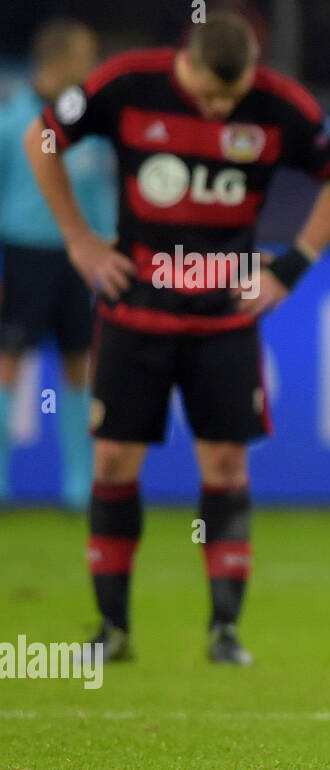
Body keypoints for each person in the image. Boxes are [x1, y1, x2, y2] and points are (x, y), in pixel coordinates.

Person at [23, 11, 330, 664]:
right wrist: (79, 241)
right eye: (210, 94)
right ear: (188, 58)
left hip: (224, 321)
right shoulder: (126, 84)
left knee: (226, 464)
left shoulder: (280, 105)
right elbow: (41, 140)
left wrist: (291, 267)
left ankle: (225, 631)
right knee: (116, 463)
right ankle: (113, 630)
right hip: (135, 314)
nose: (219, 109)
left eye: (231, 100)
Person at [0, 18, 114, 507]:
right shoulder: (11, 122)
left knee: (79, 362)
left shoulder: (93, 128)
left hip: (81, 258)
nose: (91, 66)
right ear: (59, 60)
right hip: (24, 253)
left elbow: (105, 196)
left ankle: (77, 482)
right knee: (9, 360)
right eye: (85, 55)